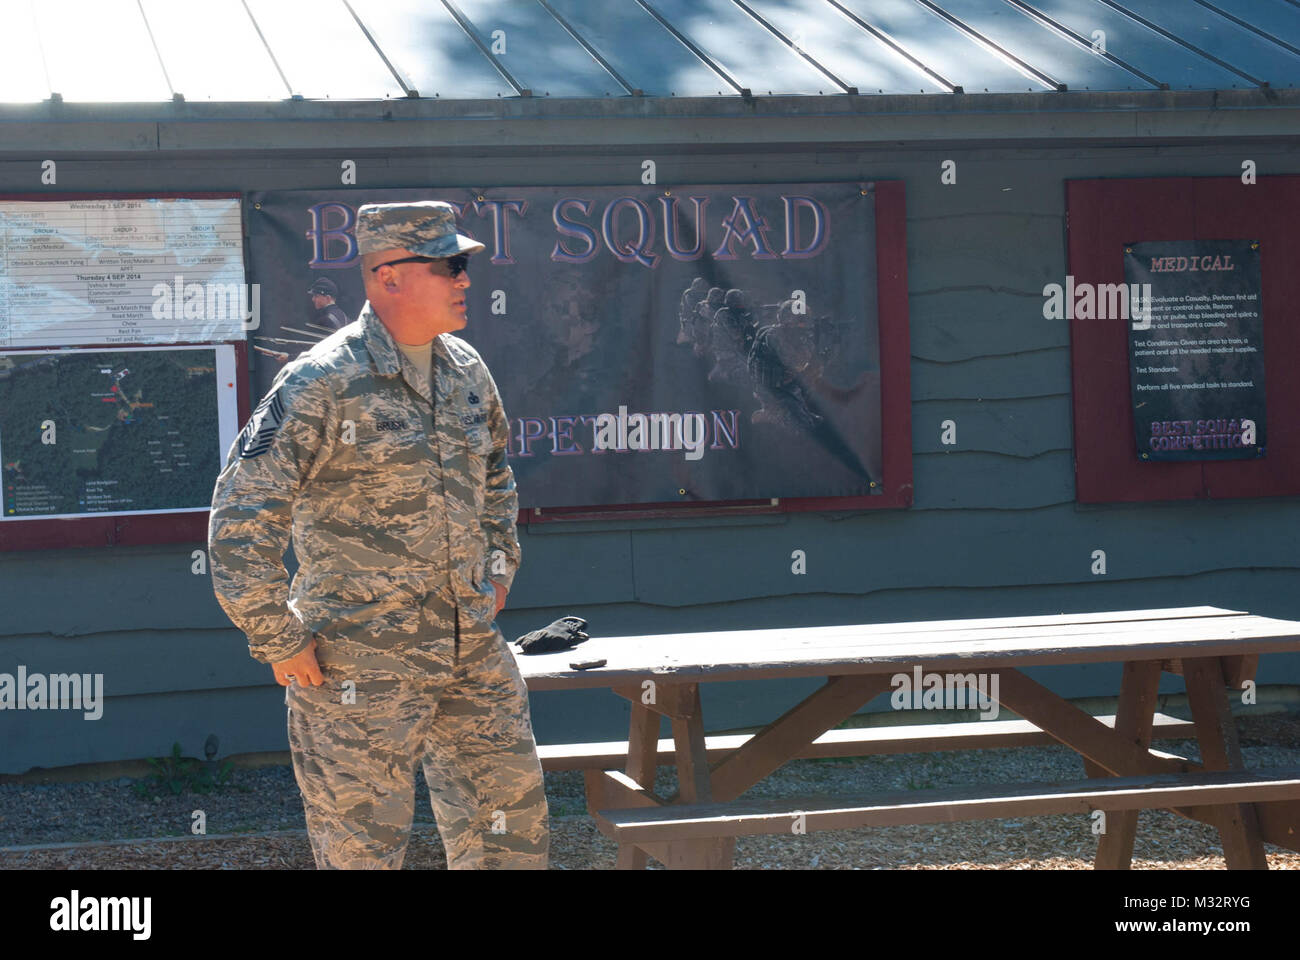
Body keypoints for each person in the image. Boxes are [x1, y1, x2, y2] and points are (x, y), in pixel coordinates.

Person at [207, 200, 548, 870]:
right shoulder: (320, 382)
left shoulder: (466, 371)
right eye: (448, 265)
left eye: (464, 265)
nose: (464, 279)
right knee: (363, 855)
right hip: (355, 667)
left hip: (470, 653)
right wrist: (278, 637)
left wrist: (500, 569)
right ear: (388, 276)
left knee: (510, 841)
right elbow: (240, 518)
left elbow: (498, 476)